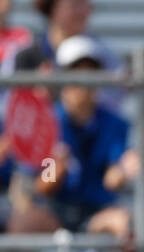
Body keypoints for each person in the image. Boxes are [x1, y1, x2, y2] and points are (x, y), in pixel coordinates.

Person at [7, 35, 135, 237]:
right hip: (56, 214)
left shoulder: (114, 124)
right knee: (24, 222)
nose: (83, 83)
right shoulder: (46, 123)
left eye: (90, 74)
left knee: (124, 224)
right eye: (75, 73)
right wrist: (54, 172)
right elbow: (33, 186)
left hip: (97, 213)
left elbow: (116, 171)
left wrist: (121, 172)